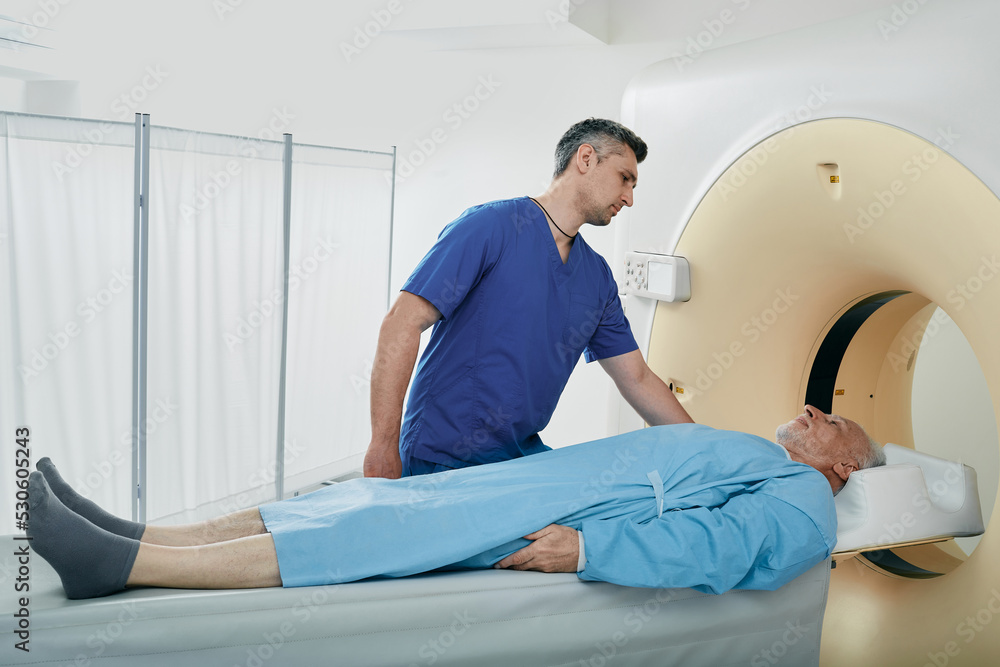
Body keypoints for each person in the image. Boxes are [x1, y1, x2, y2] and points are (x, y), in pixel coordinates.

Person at [27, 405, 884, 600]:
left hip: (575, 516)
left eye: (833, 420)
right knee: (352, 496)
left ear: (845, 465)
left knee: (372, 525)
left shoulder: (806, 500)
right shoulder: (771, 458)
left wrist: (590, 550)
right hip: (540, 479)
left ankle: (122, 566)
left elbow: (724, 548)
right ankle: (140, 532)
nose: (813, 412)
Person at [364, 118, 693, 479]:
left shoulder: (596, 277)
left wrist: (704, 446)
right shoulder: (490, 228)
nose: (629, 198)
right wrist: (382, 446)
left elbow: (638, 379)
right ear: (586, 158)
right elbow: (402, 323)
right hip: (442, 458)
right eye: (624, 178)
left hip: (520, 462)